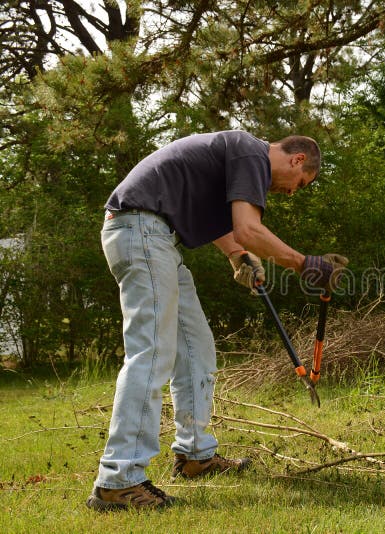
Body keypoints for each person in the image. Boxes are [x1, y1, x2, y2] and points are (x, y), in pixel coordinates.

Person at [86, 131, 348, 511]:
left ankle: (196, 456)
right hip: (141, 230)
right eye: (300, 184)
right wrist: (307, 265)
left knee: (195, 347)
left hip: (154, 234)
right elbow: (248, 228)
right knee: (152, 353)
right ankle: (118, 479)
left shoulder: (238, 158)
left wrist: (238, 256)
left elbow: (224, 224)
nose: (292, 192)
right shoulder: (250, 153)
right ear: (297, 160)